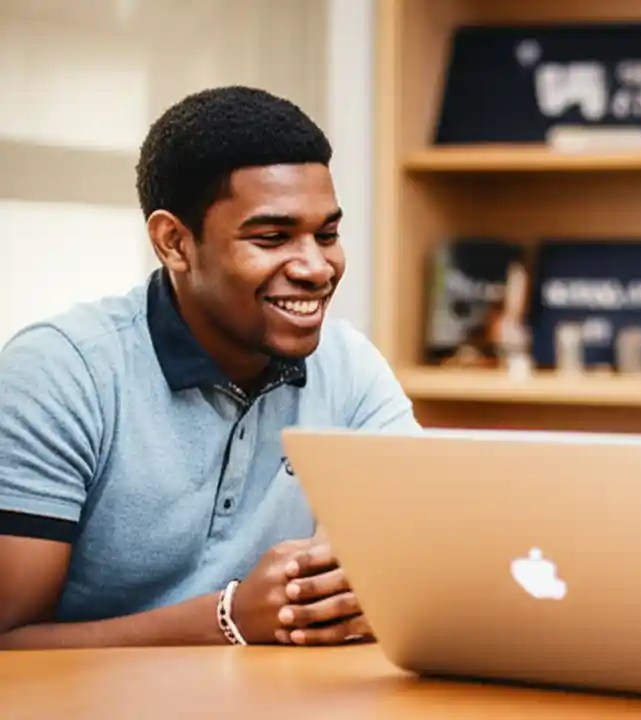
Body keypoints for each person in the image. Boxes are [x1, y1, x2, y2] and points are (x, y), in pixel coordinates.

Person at [0, 87, 420, 649]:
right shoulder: (58, 375)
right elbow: (8, 646)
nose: (317, 268)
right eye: (272, 238)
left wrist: (356, 599)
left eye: (327, 235)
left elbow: (407, 569)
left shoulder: (351, 367)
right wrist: (228, 618)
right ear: (174, 243)